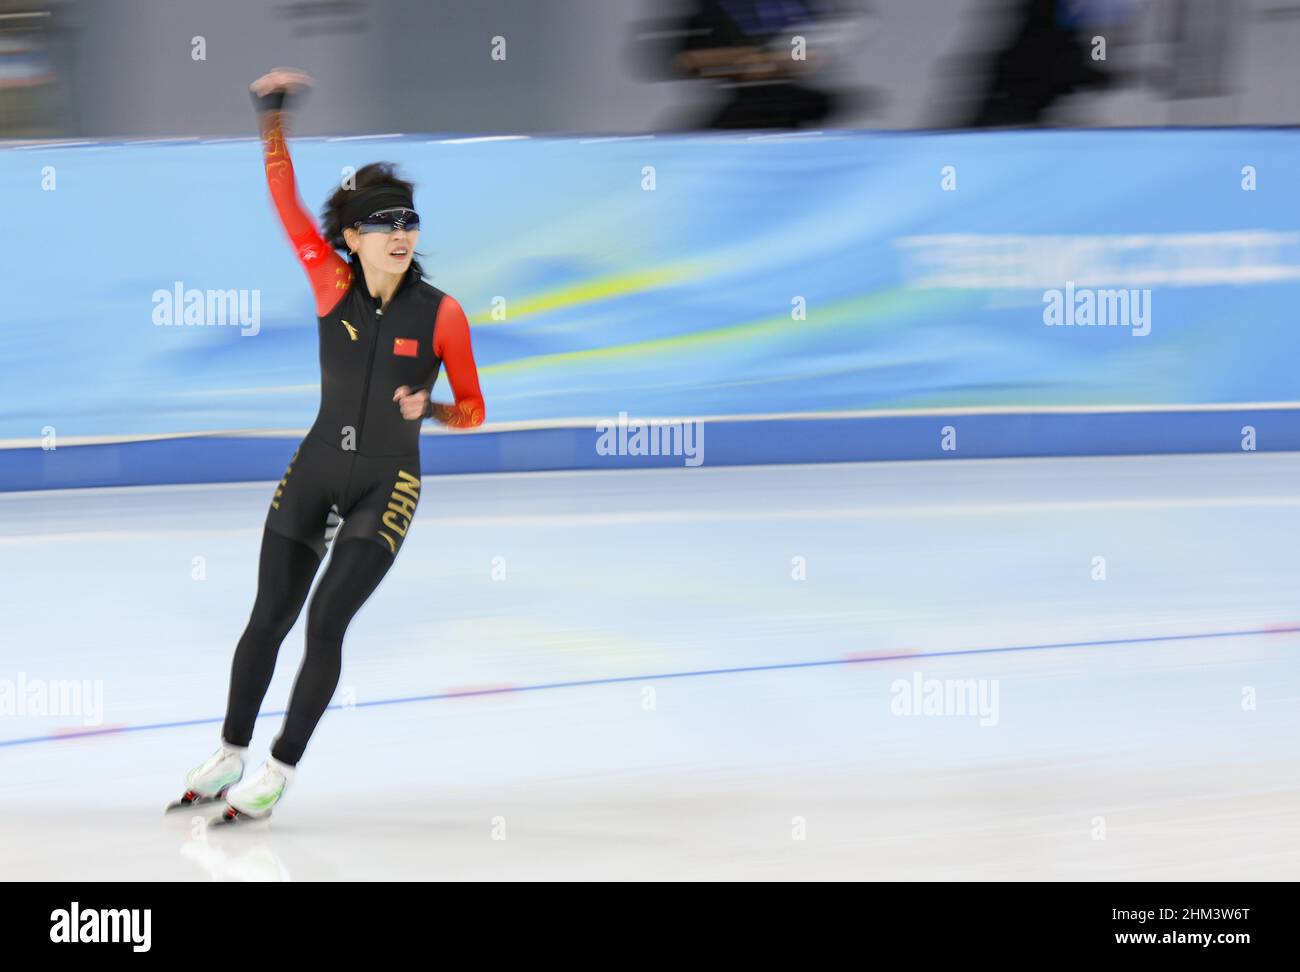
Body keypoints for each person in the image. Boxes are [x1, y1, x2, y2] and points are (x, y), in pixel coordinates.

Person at [169, 68, 485, 822]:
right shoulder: (328, 283)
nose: (402, 233)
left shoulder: (444, 316)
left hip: (388, 484)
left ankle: (278, 770)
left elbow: (474, 408)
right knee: (268, 615)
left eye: (410, 221)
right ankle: (229, 753)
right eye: (385, 222)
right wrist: (271, 115)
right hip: (313, 470)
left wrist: (434, 409)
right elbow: (284, 200)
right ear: (353, 237)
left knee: (325, 624)